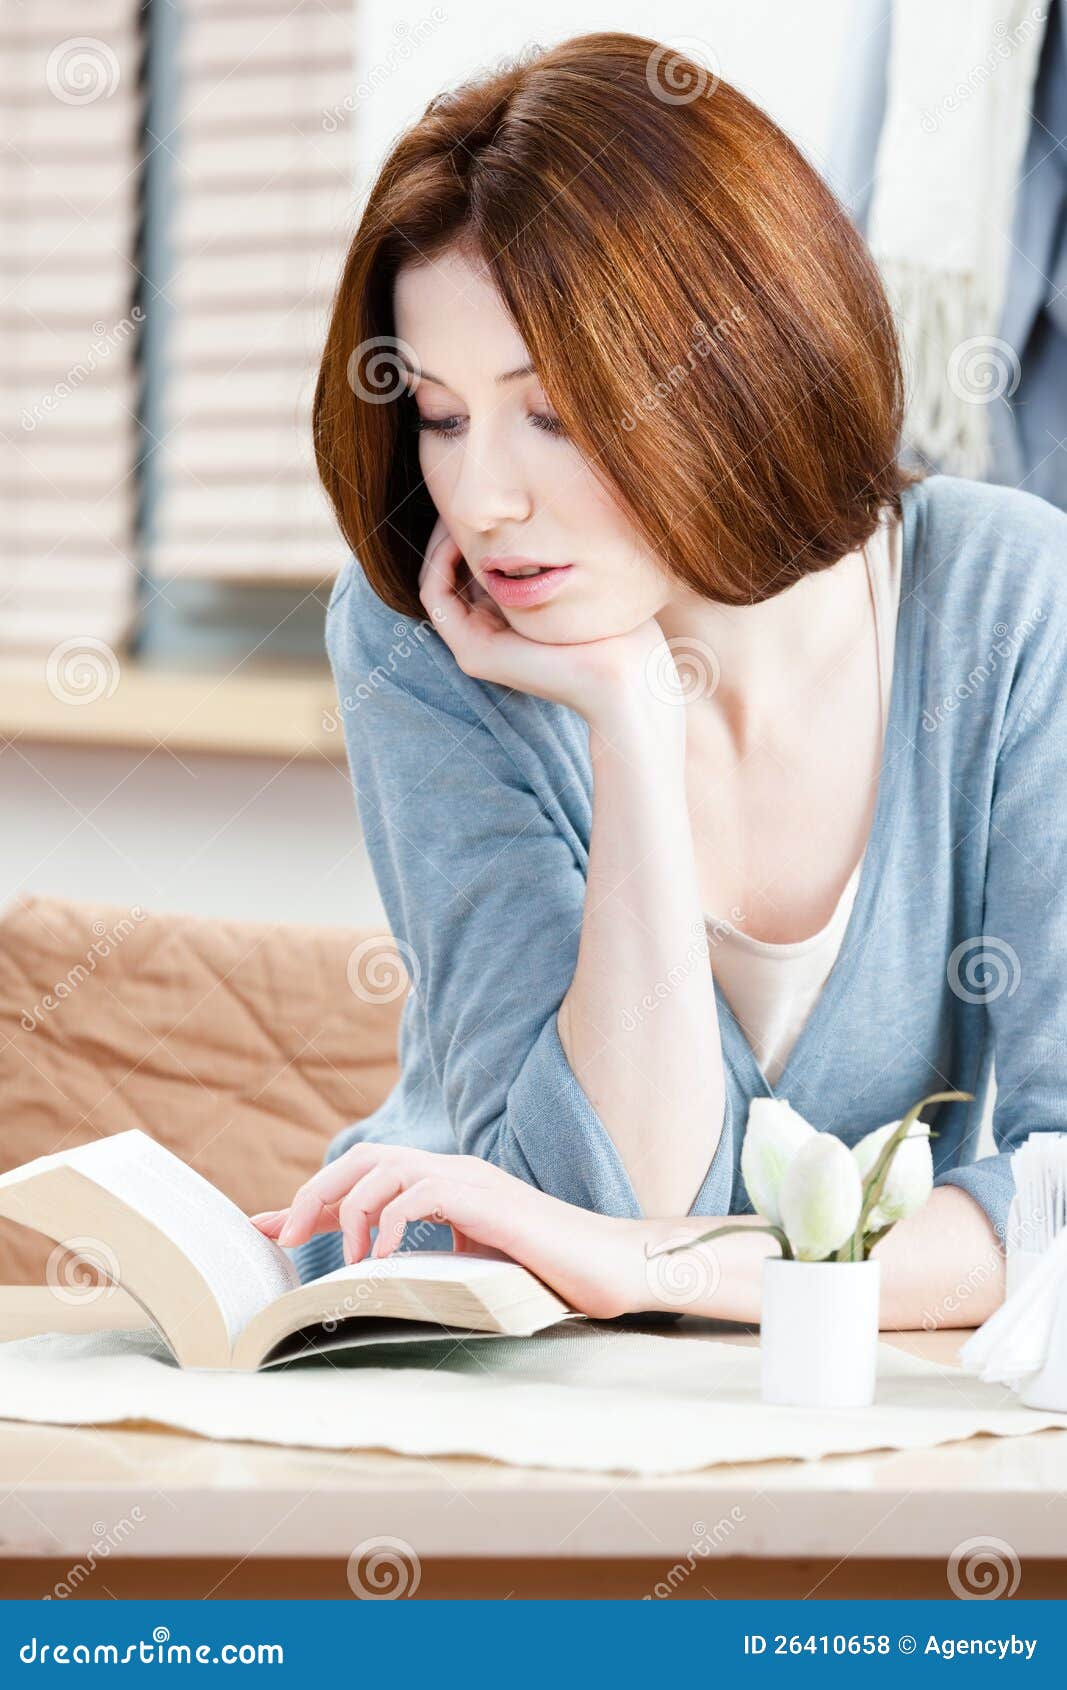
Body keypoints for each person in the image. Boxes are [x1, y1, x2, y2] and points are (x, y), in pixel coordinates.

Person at [251, 33, 1067, 1330]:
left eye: (555, 414)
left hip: (860, 1409)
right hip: (497, 1368)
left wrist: (661, 1266)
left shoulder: (1012, 601)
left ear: (731, 373)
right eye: (444, 416)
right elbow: (591, 1185)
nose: (485, 498)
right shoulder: (427, 625)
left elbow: (1050, 1194)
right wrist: (631, 715)